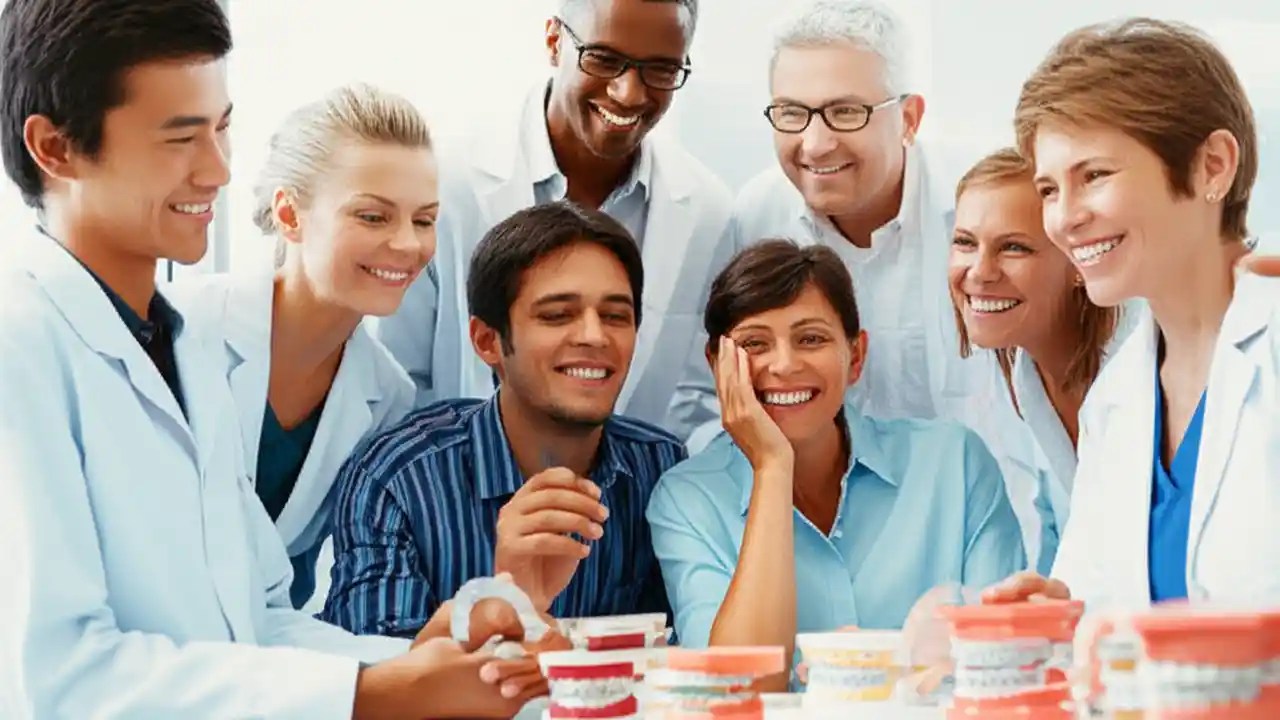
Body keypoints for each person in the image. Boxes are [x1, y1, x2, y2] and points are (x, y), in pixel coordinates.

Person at [0, 1, 549, 716]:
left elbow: (259, 622)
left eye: (222, 129)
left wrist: (428, 661)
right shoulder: (22, 343)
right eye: (180, 138)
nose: (220, 170)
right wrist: (380, 691)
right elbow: (56, 676)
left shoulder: (181, 353)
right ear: (56, 148)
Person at [984, 18, 1280, 609]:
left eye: (1093, 175)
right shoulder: (1114, 404)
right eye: (1048, 190)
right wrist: (1060, 620)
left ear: (1212, 166)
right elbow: (1110, 622)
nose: (1065, 218)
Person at [647, 240, 1025, 689]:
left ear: (856, 357)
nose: (784, 365)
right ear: (717, 365)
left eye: (811, 339)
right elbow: (739, 690)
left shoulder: (955, 464)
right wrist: (771, 466)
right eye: (754, 344)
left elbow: (1007, 663)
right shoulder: (687, 499)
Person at [323, 201, 685, 636]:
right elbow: (379, 679)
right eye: (556, 315)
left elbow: (693, 660)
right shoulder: (397, 479)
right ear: (487, 341)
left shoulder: (664, 468)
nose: (594, 335)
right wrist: (507, 600)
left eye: (615, 316)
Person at [378, 0, 732, 439]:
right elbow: (398, 381)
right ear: (553, 41)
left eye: (661, 69)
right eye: (603, 59)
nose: (629, 92)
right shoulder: (447, 183)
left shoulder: (708, 213)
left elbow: (700, 399)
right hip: (459, 491)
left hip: (635, 497)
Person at [675, 0, 992, 452]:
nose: (816, 144)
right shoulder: (756, 217)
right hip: (809, 504)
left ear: (909, 119)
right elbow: (702, 397)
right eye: (791, 113)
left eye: (846, 113)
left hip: (978, 505)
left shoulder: (982, 206)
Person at [168, 83, 433, 611]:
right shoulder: (181, 329)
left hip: (268, 657)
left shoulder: (390, 400)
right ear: (289, 215)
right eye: (373, 216)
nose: (408, 244)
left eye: (423, 219)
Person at [947, 148, 1120, 574]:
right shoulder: (1025, 376)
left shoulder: (1138, 370)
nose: (979, 271)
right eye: (965, 243)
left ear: (1079, 260)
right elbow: (1061, 550)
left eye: (1014, 248)